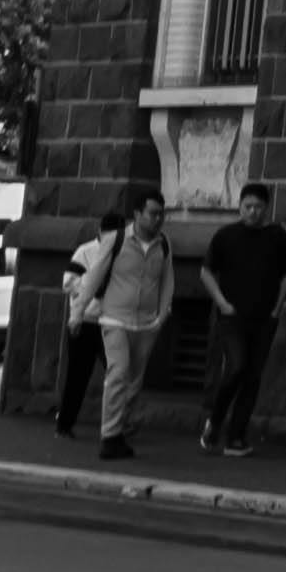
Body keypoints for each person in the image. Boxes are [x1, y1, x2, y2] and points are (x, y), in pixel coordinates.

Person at [198, 176, 286, 457]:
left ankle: (236, 436)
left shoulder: (277, 236)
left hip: (264, 318)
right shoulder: (226, 236)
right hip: (232, 316)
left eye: (258, 207)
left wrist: (276, 309)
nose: (253, 212)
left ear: (266, 208)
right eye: (248, 206)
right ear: (239, 206)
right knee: (236, 366)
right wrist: (222, 303)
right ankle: (215, 420)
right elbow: (206, 272)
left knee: (252, 376)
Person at [91, 190, 176, 462]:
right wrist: (77, 313)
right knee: (118, 372)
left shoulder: (163, 244)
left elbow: (167, 282)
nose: (157, 219)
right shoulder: (116, 240)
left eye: (161, 214)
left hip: (147, 323)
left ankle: (119, 431)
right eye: (152, 213)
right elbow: (95, 276)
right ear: (137, 214)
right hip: (115, 318)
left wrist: (162, 315)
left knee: (134, 383)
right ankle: (109, 435)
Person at [54, 202, 125, 437]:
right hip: (85, 320)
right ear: (101, 232)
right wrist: (94, 282)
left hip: (111, 320)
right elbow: (69, 282)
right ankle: (65, 423)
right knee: (77, 376)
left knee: (118, 374)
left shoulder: (123, 253)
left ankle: (116, 425)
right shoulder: (85, 251)